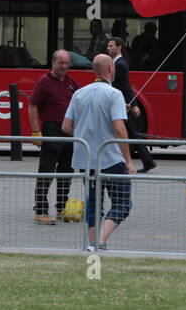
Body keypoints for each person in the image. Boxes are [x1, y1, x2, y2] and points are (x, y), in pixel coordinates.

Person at [62, 54, 132, 251]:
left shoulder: (79, 93)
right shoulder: (114, 94)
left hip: (86, 160)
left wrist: (87, 133)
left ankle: (91, 244)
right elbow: (119, 128)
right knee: (123, 203)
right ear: (110, 69)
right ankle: (101, 240)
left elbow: (66, 126)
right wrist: (129, 160)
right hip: (111, 159)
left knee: (93, 203)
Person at [29, 49, 79, 225]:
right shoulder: (44, 82)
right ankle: (41, 210)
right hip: (51, 129)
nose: (64, 66)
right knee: (46, 171)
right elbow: (33, 105)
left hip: (69, 131)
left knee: (66, 171)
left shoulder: (71, 83)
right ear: (53, 62)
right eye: (61, 63)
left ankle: (61, 207)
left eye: (67, 63)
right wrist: (36, 131)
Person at [107, 36, 155, 173]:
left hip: (122, 104)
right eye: (108, 46)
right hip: (121, 103)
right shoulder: (118, 63)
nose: (108, 48)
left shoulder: (120, 64)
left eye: (111, 46)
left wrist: (133, 104)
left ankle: (146, 161)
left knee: (130, 133)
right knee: (131, 133)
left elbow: (126, 86)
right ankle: (148, 161)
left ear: (119, 47)